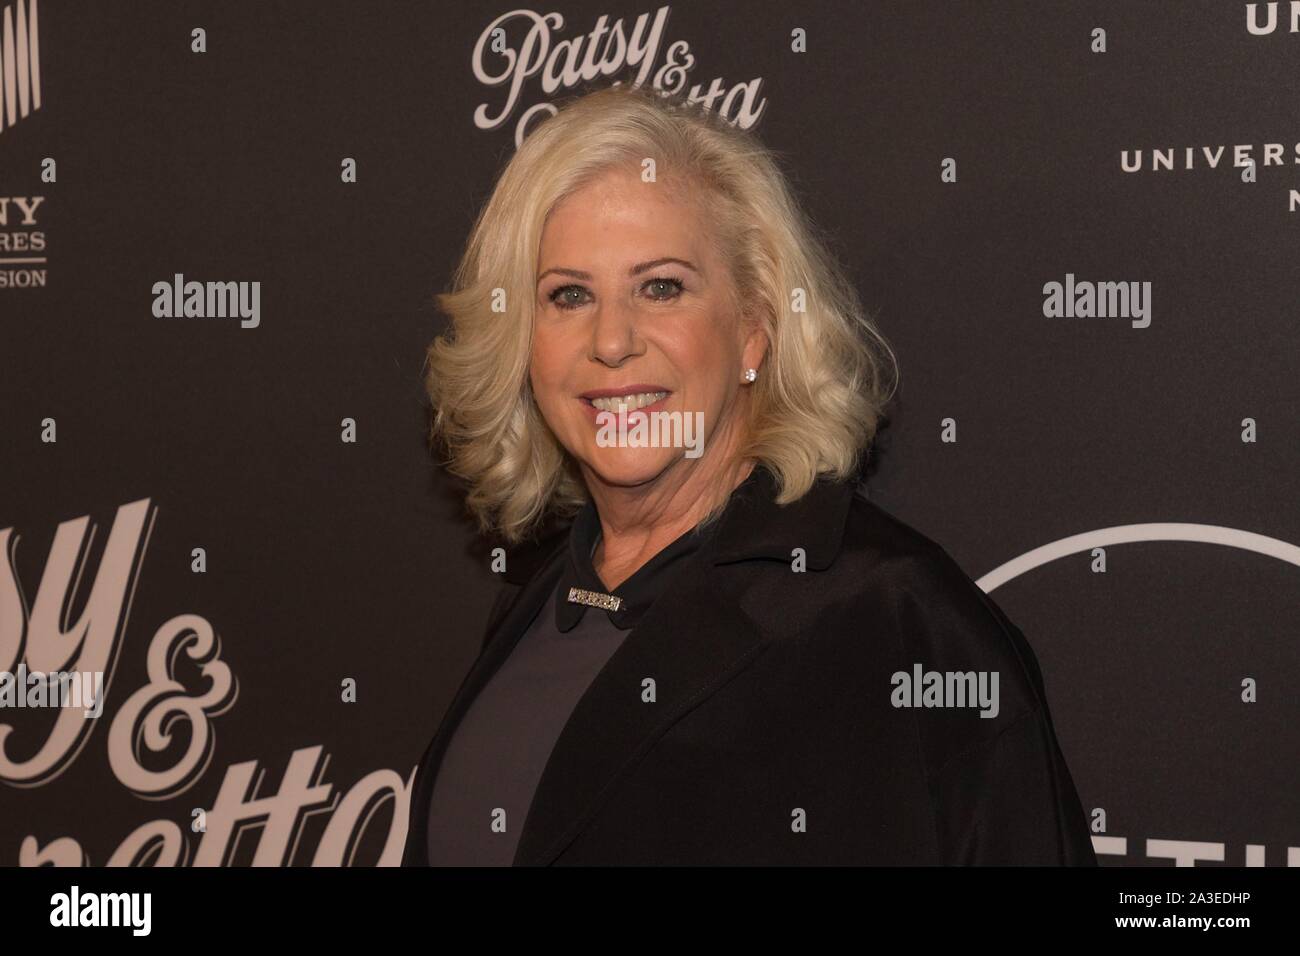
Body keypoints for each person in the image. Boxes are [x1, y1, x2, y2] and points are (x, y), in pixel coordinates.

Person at [402, 84, 1095, 866]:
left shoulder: (892, 620)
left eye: (660, 286)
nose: (612, 340)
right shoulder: (532, 609)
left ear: (756, 331)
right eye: (568, 296)